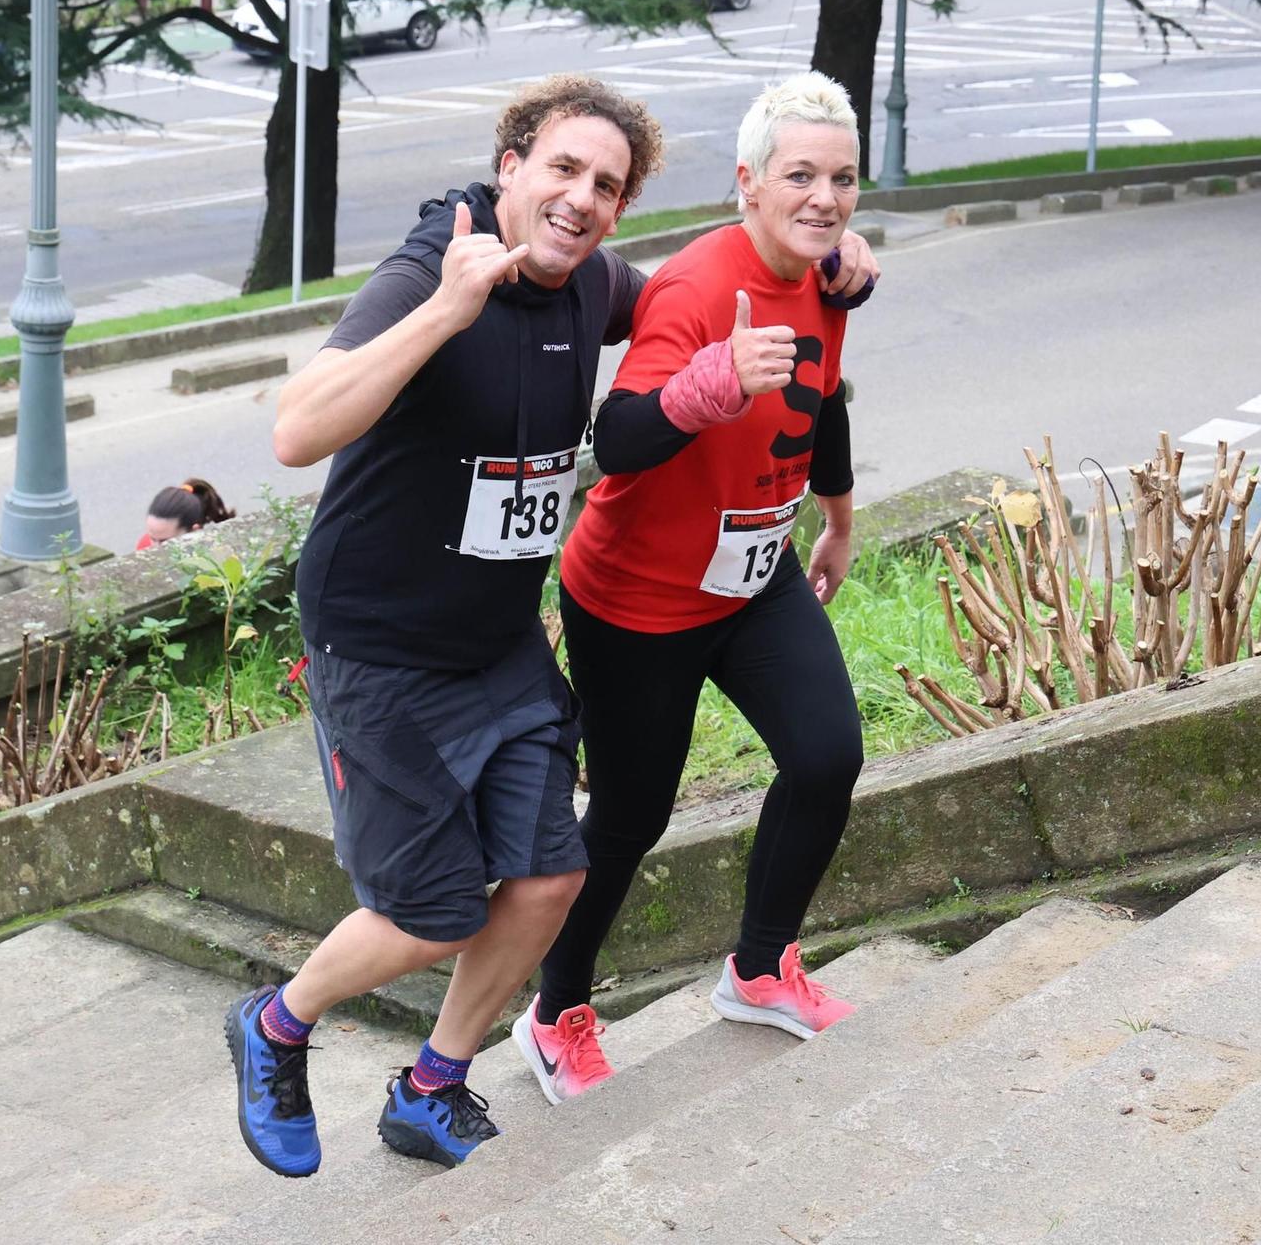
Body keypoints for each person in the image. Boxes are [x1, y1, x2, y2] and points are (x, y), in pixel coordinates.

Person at [233, 74, 878, 1179]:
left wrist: (828, 260)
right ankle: (277, 1022)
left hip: (499, 643)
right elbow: (296, 431)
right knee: (432, 912)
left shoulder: (589, 283)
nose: (580, 198)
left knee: (547, 876)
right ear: (510, 168)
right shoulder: (432, 269)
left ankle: (432, 1081)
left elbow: (691, 289)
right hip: (382, 651)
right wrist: (446, 308)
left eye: (606, 185)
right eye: (561, 171)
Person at [517, 73, 871, 1105]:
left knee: (826, 755)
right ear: (747, 184)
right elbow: (614, 441)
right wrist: (712, 379)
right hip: (636, 602)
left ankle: (759, 968)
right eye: (798, 176)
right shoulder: (696, 285)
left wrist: (839, 520)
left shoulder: (828, 276)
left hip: (752, 577)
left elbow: (824, 396)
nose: (823, 198)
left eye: (841, 179)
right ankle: (556, 1011)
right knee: (629, 815)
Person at [135, 478, 233, 550]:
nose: (153, 549)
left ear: (194, 531)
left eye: (164, 542)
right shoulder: (144, 546)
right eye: (152, 538)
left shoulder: (217, 555)